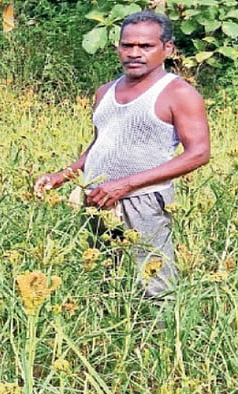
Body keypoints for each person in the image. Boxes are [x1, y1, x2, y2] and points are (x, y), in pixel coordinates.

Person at [35, 10, 210, 304]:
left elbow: (199, 153)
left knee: (156, 286)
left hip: (143, 200)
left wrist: (127, 184)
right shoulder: (105, 92)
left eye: (145, 46)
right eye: (127, 45)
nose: (134, 53)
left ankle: (164, 346)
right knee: (105, 279)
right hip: (97, 199)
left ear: (167, 49)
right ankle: (115, 344)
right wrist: (62, 175)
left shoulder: (178, 93)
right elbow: (98, 145)